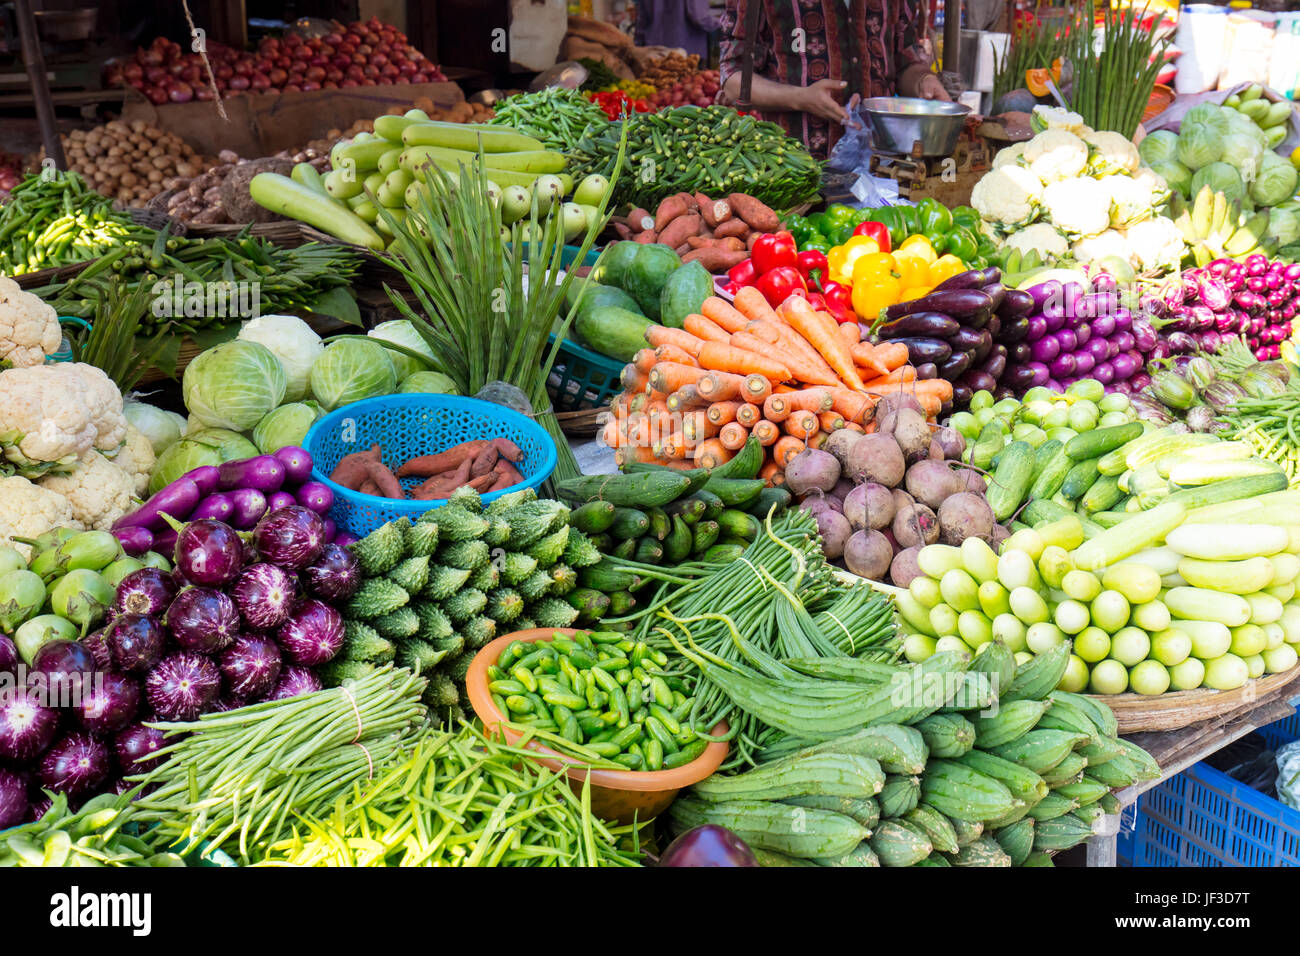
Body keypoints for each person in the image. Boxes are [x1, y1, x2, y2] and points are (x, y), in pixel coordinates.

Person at [718, 0, 949, 159]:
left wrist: (922, 81)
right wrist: (800, 98)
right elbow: (733, 78)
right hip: (795, 170)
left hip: (881, 170)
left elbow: (904, 59)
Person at [634, 0, 720, 61]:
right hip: (686, 55)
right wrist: (724, 22)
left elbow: (642, 19)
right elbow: (699, 18)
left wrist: (638, 46)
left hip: (654, 53)